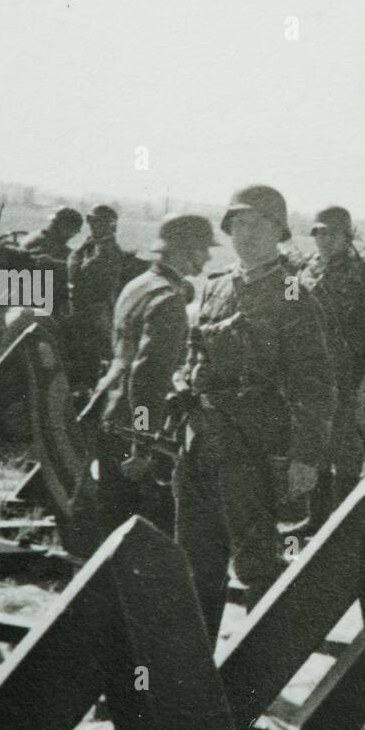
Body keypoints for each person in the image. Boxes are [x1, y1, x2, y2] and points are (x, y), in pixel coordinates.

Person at [174, 184, 336, 622]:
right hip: (200, 439)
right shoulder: (214, 287)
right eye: (237, 224)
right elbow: (193, 356)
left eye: (256, 224)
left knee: (256, 561)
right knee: (194, 557)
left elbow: (314, 385)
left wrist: (306, 456)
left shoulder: (291, 294)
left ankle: (256, 670)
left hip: (252, 444)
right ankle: (195, 669)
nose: (244, 233)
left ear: (278, 231)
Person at [84, 214, 214, 536]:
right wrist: (141, 445)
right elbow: (148, 378)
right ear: (185, 250)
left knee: (112, 514)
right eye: (203, 249)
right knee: (144, 527)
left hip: (111, 406)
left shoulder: (139, 284)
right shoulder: (169, 300)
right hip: (135, 424)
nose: (208, 257)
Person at [300, 206, 365, 522]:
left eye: (332, 233)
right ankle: (316, 519)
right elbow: (288, 314)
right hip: (311, 375)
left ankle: (342, 523)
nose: (325, 240)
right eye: (320, 233)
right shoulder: (303, 271)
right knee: (315, 445)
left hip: (349, 376)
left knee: (346, 449)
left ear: (347, 236)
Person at [67, 204, 126, 380]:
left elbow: (78, 272)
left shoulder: (107, 250)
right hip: (84, 307)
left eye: (97, 221)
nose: (92, 225)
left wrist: (79, 252)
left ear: (110, 225)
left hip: (95, 311)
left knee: (90, 357)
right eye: (90, 220)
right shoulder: (92, 244)